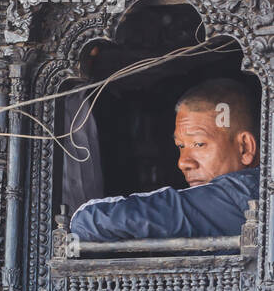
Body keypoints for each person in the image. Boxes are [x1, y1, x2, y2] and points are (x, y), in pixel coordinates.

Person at [69, 78, 260, 241]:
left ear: (245, 148)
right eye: (181, 146)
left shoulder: (239, 194)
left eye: (199, 144)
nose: (183, 162)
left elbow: (89, 220)